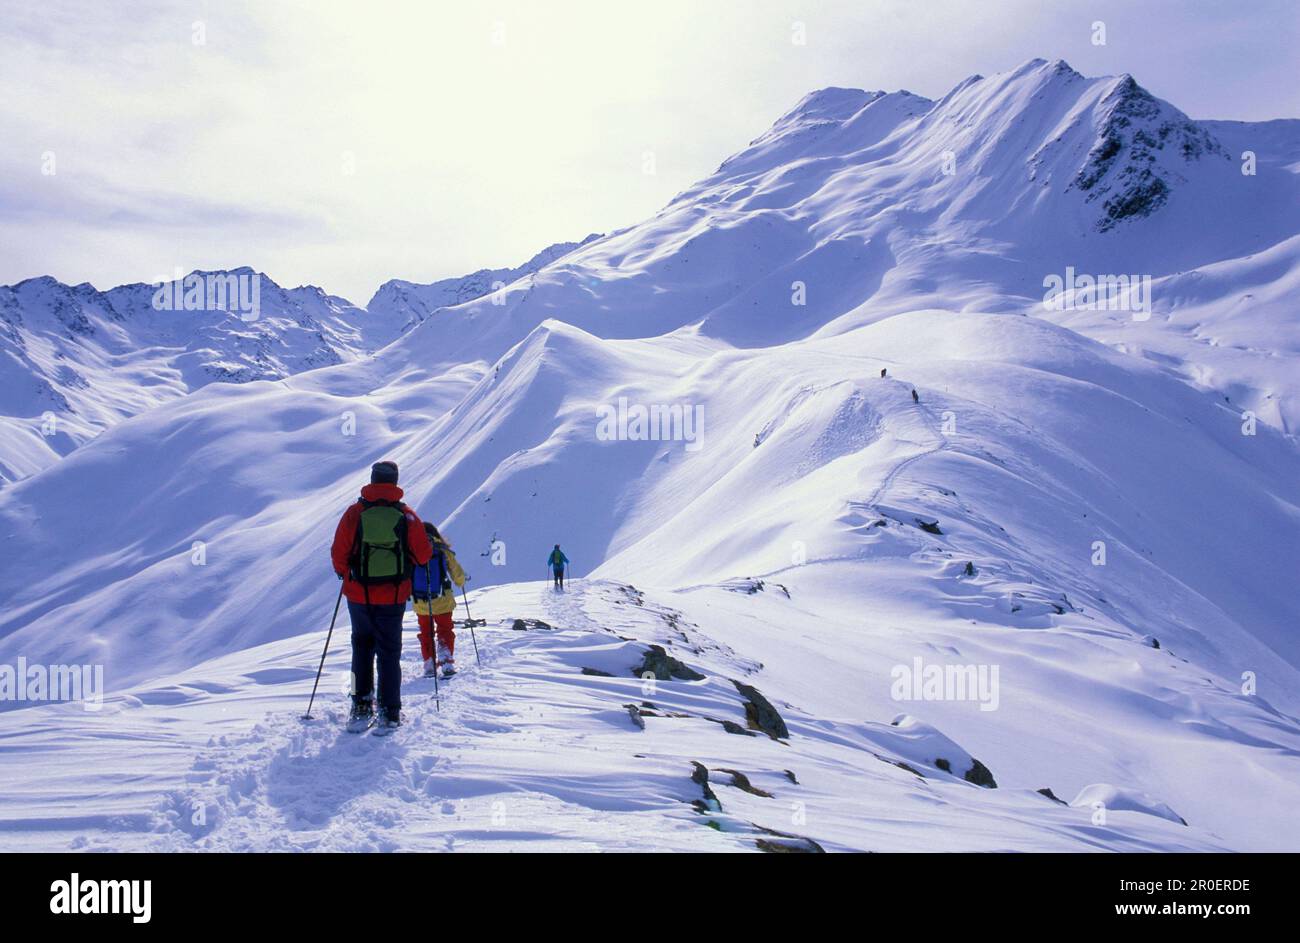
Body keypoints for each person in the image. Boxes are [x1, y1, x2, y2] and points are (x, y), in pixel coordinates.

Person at [330, 461, 433, 732]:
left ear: (372, 480)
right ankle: (390, 711)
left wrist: (347, 575)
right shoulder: (406, 515)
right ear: (395, 482)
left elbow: (339, 552)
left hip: (358, 595)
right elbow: (423, 555)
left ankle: (360, 704)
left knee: (360, 649)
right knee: (389, 652)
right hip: (393, 596)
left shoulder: (354, 513)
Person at [411, 522, 466, 679]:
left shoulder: (412, 550)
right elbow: (457, 572)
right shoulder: (442, 549)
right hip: (442, 600)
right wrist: (460, 582)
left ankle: (429, 664)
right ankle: (446, 661)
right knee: (445, 630)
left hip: (420, 602)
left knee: (426, 633)